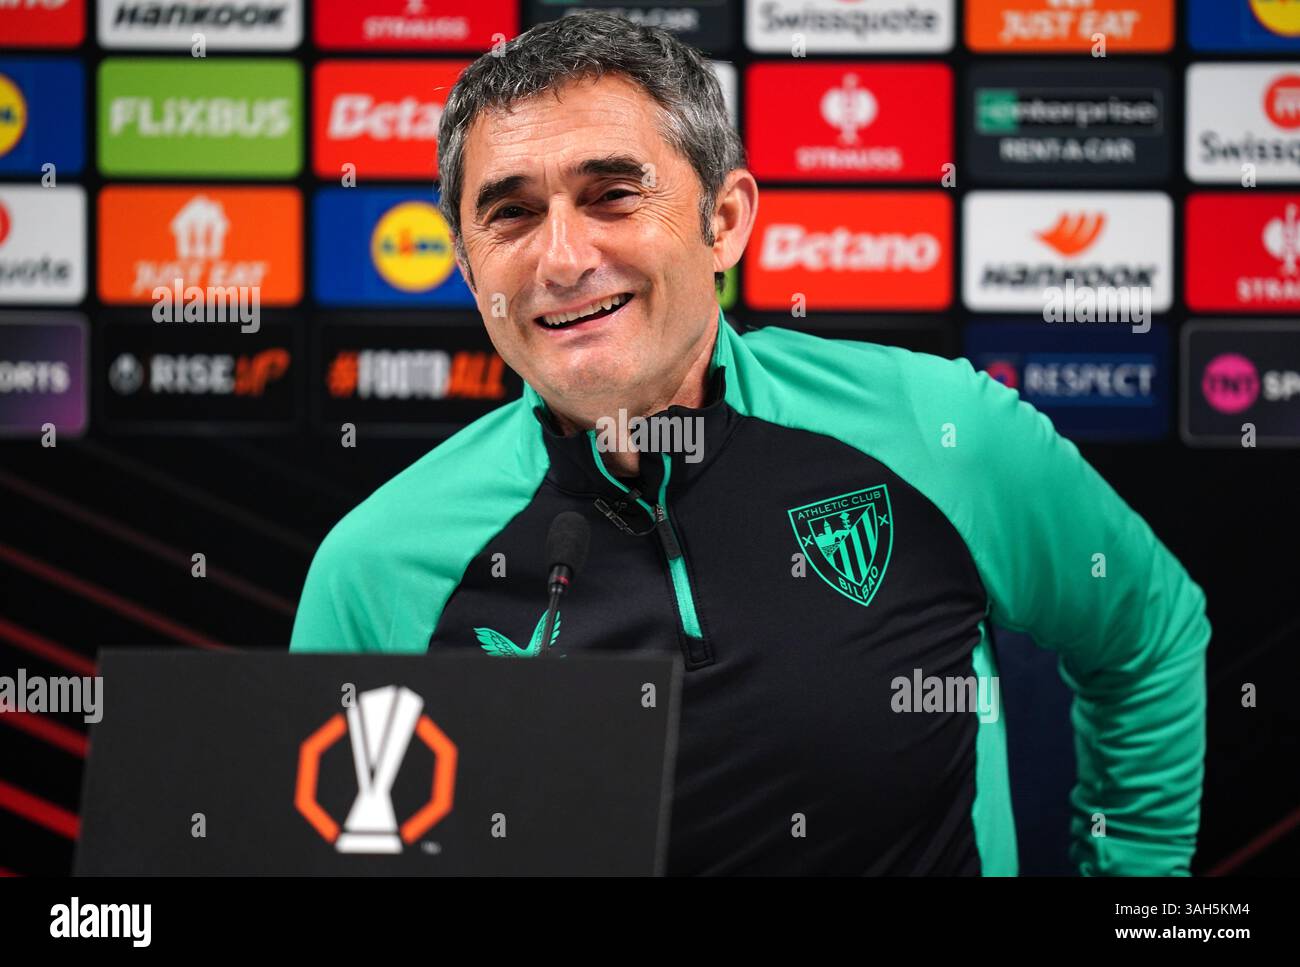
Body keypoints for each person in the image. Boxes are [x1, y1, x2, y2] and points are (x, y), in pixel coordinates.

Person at [290, 12, 1210, 876]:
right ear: (466, 263)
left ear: (724, 220)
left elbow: (1149, 631)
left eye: (613, 195)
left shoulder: (939, 430)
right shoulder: (374, 567)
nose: (561, 258)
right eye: (512, 214)